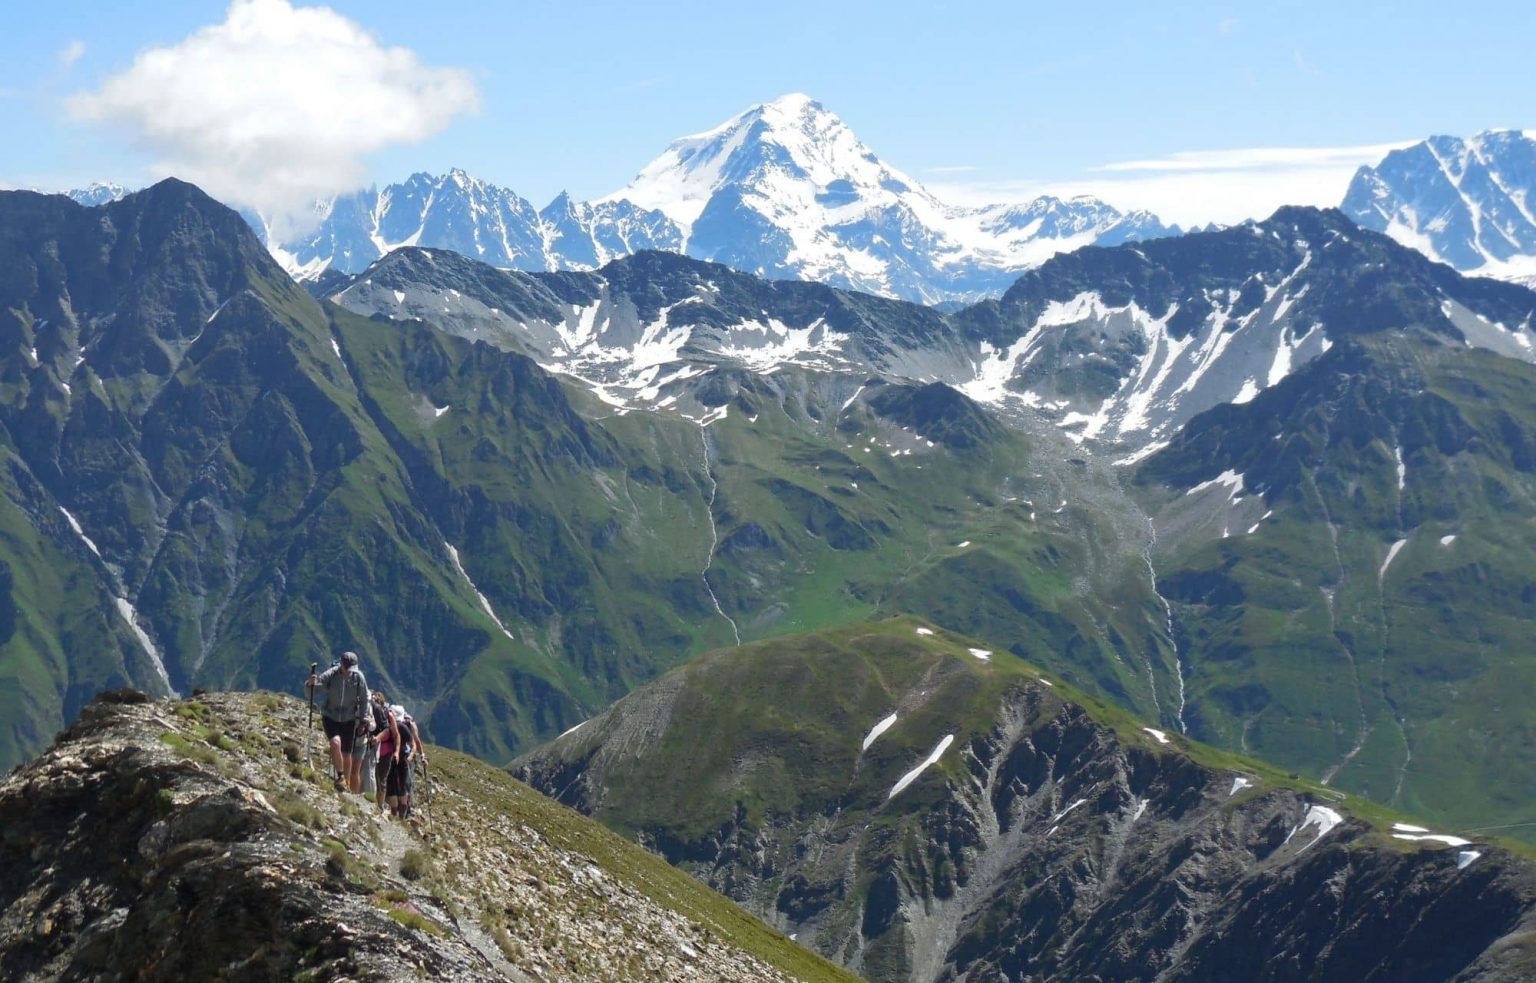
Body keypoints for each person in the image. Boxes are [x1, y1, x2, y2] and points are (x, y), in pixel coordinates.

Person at [307, 651, 370, 792]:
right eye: (347, 668)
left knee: (347, 754)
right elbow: (313, 690)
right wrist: (310, 684)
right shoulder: (331, 674)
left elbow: (365, 698)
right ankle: (341, 776)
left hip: (349, 719)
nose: (349, 671)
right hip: (331, 716)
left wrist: (363, 720)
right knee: (335, 742)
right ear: (341, 665)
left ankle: (345, 783)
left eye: (351, 668)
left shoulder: (358, 678)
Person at [387, 703, 424, 819]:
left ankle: (402, 811)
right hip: (404, 757)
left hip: (403, 757)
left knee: (403, 783)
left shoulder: (407, 725)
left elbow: (415, 743)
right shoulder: (406, 725)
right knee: (403, 783)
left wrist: (415, 755)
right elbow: (415, 743)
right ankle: (402, 812)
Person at [368, 691, 400, 813]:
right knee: (371, 775)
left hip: (386, 753)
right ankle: (372, 801)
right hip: (372, 749)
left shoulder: (389, 716)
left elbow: (396, 735)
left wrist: (396, 752)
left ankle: (379, 805)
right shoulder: (369, 712)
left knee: (381, 779)